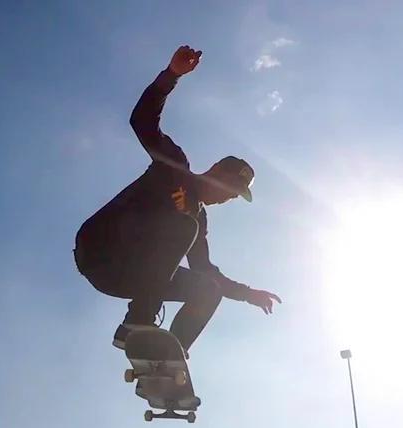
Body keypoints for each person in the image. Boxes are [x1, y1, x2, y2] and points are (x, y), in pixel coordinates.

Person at [73, 45, 281, 352]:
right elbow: (142, 122)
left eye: (236, 196)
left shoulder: (198, 218)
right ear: (215, 171)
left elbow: (205, 269)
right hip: (102, 249)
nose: (229, 199)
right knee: (184, 226)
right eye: (230, 189)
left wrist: (248, 294)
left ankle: (165, 357)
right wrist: (171, 75)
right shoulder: (175, 165)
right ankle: (137, 322)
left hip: (132, 275)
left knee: (207, 287)